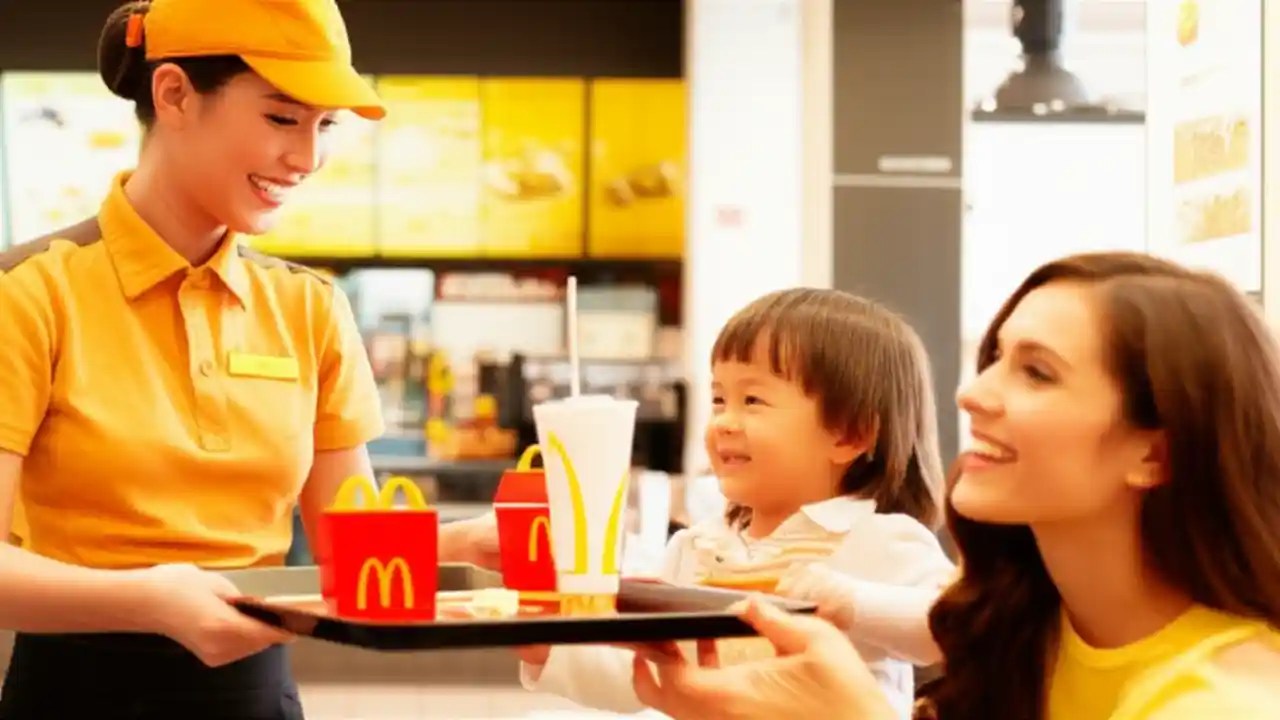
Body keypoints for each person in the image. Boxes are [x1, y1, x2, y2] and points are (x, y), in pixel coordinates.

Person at [0, 1, 499, 718]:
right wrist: (146, 599)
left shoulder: (309, 308)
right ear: (173, 94)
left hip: (254, 696)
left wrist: (467, 546)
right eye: (281, 118)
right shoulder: (28, 293)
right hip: (73, 695)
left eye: (325, 126)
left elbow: (345, 552)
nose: (307, 159)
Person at [629, 252, 1280, 720]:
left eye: (1038, 373)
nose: (971, 395)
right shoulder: (1027, 637)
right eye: (995, 359)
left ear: (1154, 453)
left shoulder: (1221, 700)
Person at [520, 288, 955, 718]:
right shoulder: (697, 547)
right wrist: (550, 648)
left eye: (752, 401)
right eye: (718, 400)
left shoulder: (881, 539)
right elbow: (642, 671)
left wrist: (851, 602)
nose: (725, 422)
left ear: (848, 435)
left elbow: (952, 632)